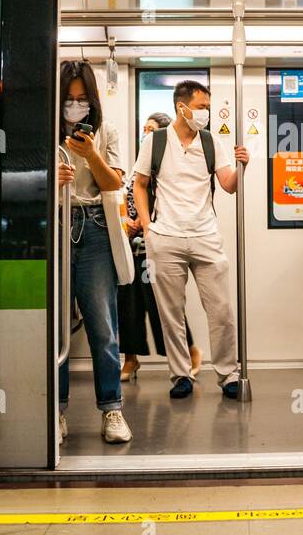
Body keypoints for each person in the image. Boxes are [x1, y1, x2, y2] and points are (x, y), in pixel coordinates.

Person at [132, 80, 249, 399]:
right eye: (201, 107)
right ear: (181, 108)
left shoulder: (212, 142)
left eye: (208, 108)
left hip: (205, 235)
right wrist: (146, 226)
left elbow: (228, 185)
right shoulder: (155, 142)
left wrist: (242, 167)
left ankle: (227, 374)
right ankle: (181, 374)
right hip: (165, 236)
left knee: (222, 310)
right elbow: (140, 184)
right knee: (170, 313)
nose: (206, 113)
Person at [58, 59, 132, 444]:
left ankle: (112, 409)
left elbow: (113, 184)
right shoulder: (45, 130)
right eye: (69, 100)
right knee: (56, 327)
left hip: (96, 227)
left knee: (103, 323)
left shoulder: (107, 131)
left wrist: (90, 156)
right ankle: (56, 411)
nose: (75, 107)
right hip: (55, 225)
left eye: (81, 99)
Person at [118, 112, 202, 381]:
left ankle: (190, 352)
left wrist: (145, 224)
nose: (146, 134)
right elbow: (126, 196)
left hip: (159, 241)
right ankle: (130, 359)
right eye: (144, 129)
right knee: (128, 304)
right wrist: (128, 222)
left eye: (151, 129)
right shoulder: (139, 164)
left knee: (162, 304)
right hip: (131, 245)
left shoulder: (168, 165)